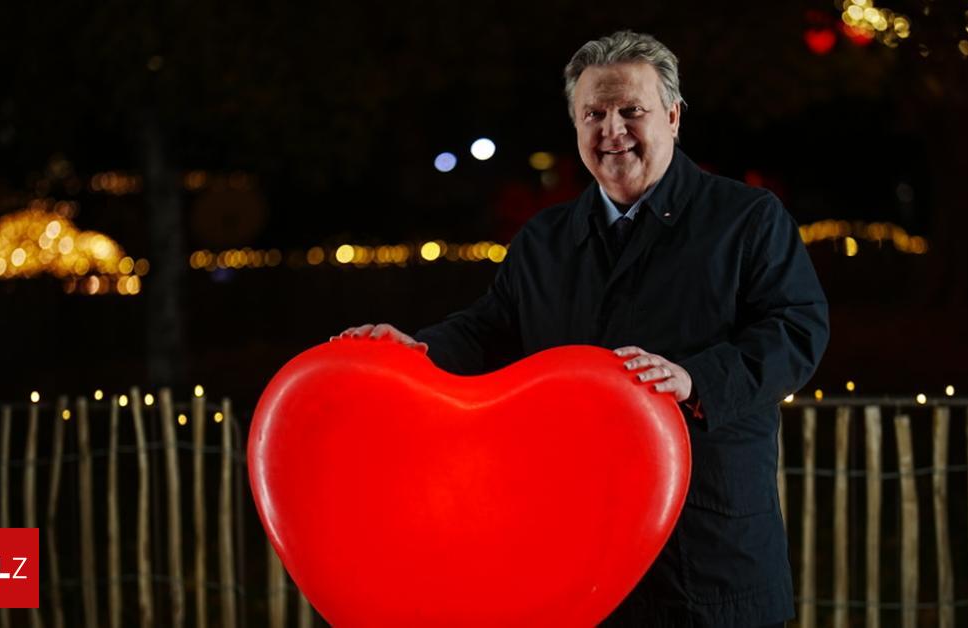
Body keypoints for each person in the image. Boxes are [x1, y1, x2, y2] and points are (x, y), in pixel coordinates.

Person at [340, 30, 828, 628]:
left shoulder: (746, 219)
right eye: (593, 114)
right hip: (574, 550)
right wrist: (415, 351)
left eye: (632, 110)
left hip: (709, 549)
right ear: (575, 125)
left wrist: (695, 379)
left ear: (673, 116)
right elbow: (489, 330)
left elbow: (796, 328)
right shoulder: (544, 240)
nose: (612, 130)